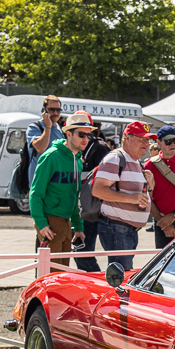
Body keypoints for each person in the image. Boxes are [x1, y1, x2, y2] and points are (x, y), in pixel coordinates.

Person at [30, 112, 93, 268]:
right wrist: (41, 224)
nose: (85, 139)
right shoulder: (51, 156)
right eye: (81, 134)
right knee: (51, 274)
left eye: (88, 135)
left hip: (66, 224)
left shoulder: (77, 159)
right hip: (50, 222)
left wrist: (78, 228)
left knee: (62, 274)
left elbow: (74, 196)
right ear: (69, 134)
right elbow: (35, 193)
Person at [92, 121, 156, 270]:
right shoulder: (115, 158)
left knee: (122, 275)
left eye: (148, 140)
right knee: (121, 277)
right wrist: (131, 198)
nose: (146, 143)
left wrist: (150, 187)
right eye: (141, 139)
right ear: (127, 138)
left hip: (126, 230)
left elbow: (141, 195)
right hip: (117, 228)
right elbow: (98, 190)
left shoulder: (136, 162)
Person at [72, 111, 108, 271]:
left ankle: (98, 284)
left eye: (85, 132)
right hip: (77, 209)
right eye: (79, 132)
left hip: (92, 211)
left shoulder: (99, 147)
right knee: (80, 253)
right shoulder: (71, 150)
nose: (83, 137)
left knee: (82, 254)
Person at [26, 95, 64, 190]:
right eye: (51, 110)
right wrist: (48, 127)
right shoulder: (34, 127)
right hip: (39, 184)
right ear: (44, 111)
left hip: (56, 183)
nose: (55, 113)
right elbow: (41, 148)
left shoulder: (60, 129)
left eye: (58, 110)